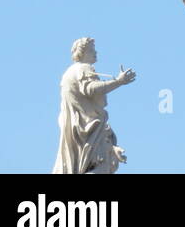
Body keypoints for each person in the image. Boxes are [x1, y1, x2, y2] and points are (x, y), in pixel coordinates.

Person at [52, 37, 136, 174]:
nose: (96, 53)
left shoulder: (68, 72)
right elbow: (90, 89)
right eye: (92, 50)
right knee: (100, 166)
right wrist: (118, 81)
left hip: (76, 126)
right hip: (88, 127)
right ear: (83, 52)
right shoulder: (84, 68)